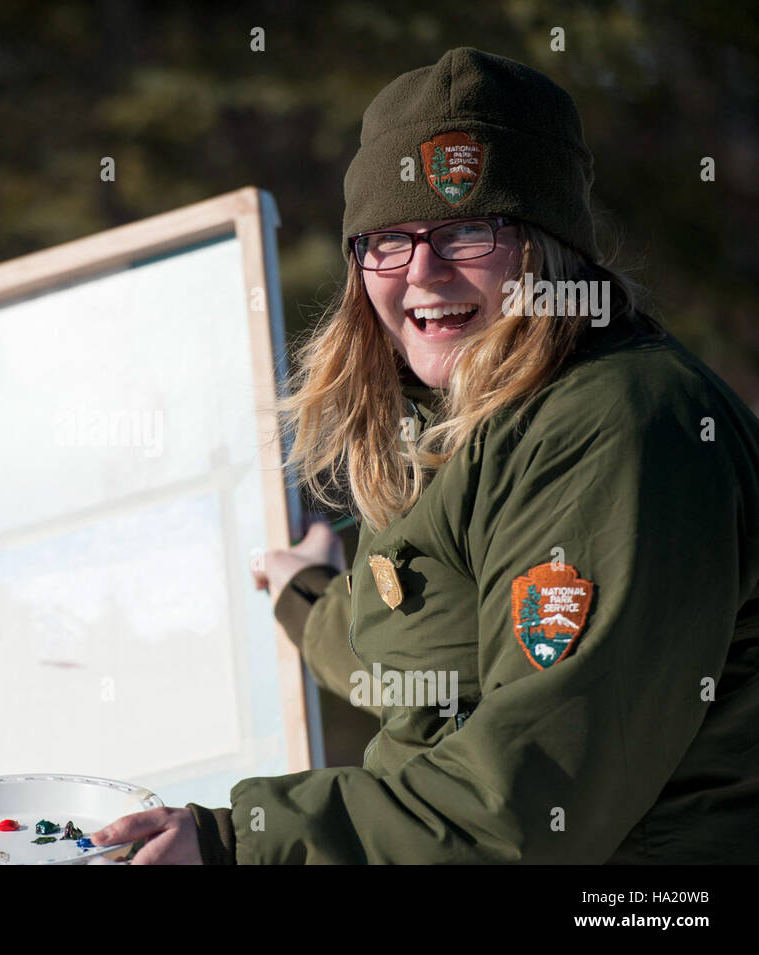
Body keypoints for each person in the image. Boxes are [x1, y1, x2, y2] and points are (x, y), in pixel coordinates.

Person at [88, 46, 759, 864]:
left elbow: (528, 801)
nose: (422, 272)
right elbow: (423, 654)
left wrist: (240, 842)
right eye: (387, 240)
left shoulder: (614, 428)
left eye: (465, 230)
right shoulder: (454, 419)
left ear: (549, 247)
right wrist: (304, 592)